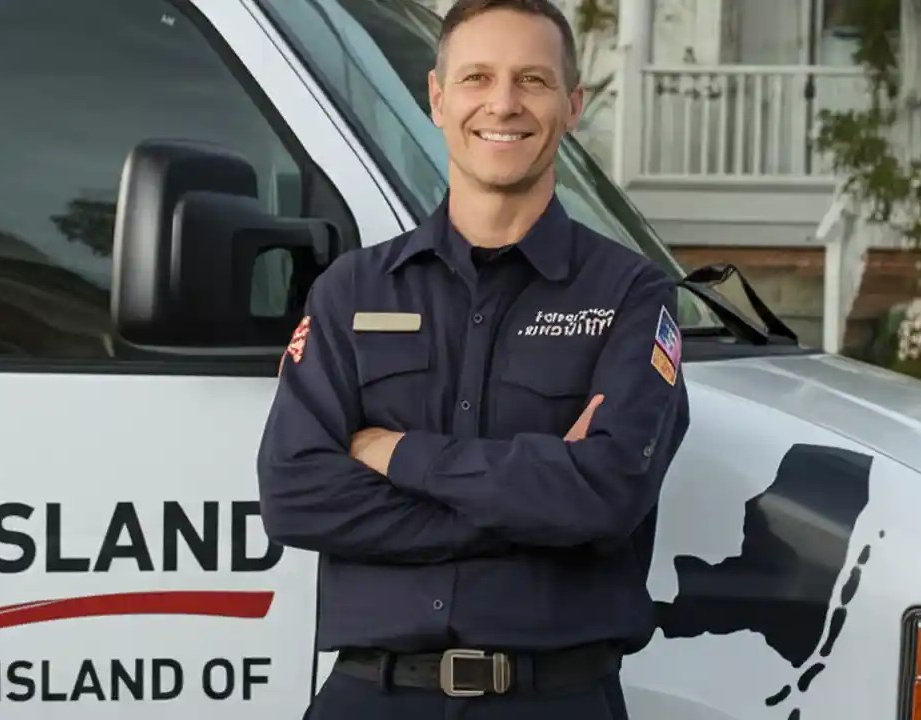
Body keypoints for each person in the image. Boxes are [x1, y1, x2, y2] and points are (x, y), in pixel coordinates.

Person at [256, 0, 690, 717]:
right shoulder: (351, 290)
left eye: (533, 80)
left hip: (553, 700)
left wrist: (399, 453)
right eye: (477, 77)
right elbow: (294, 495)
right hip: (371, 697)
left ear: (573, 105)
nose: (503, 103)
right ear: (437, 97)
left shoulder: (631, 296)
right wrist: (537, 503)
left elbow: (608, 494)